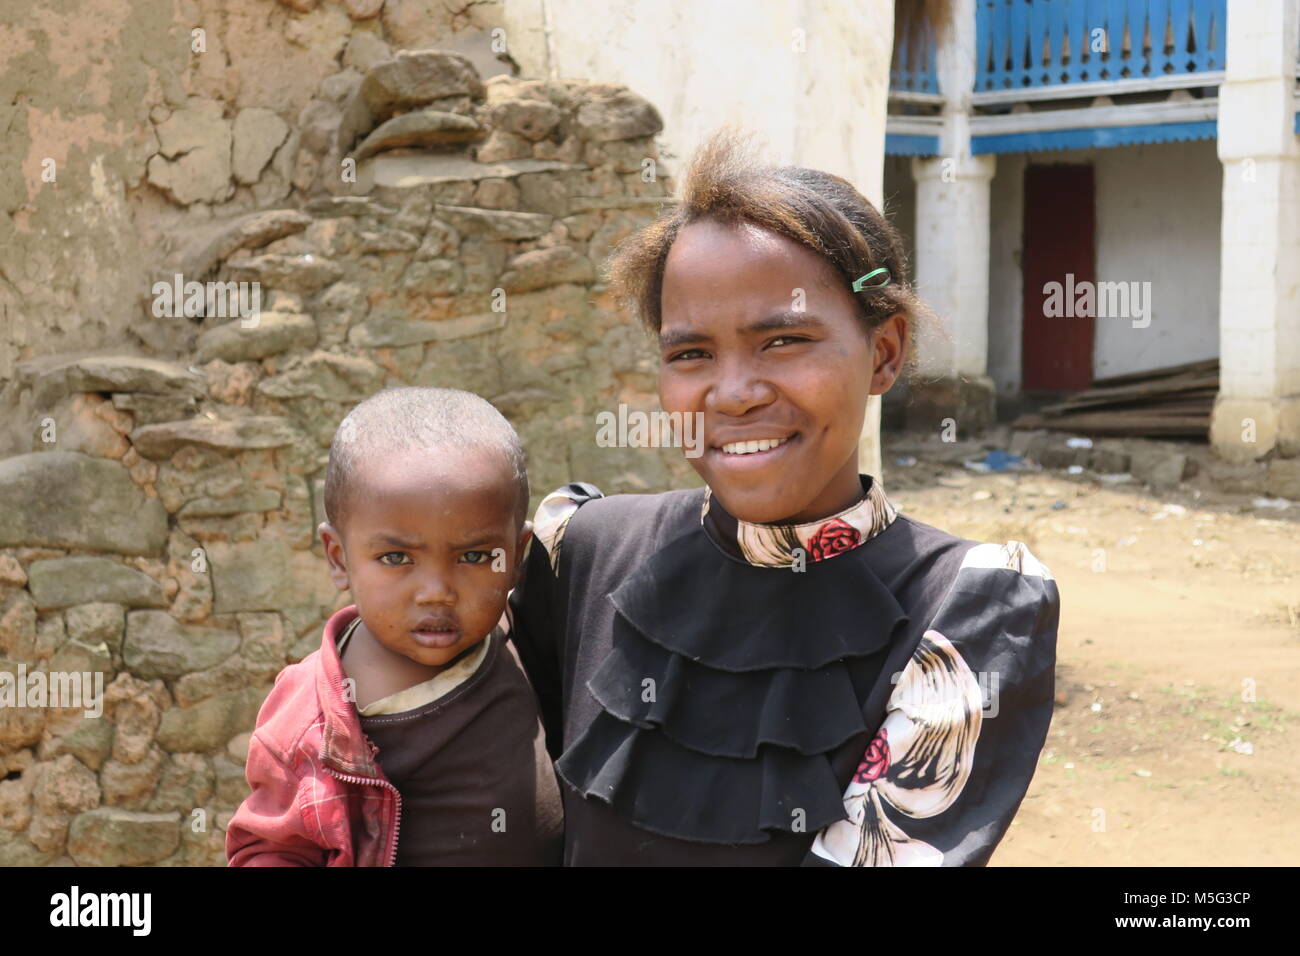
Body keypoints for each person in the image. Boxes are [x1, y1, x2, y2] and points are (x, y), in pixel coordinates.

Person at [507, 127, 1061, 866]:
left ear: (885, 353)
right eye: (691, 354)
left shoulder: (968, 611)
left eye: (783, 341)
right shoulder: (579, 550)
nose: (732, 394)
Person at [226, 387, 562, 866]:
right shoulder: (315, 717)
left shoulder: (515, 635)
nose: (436, 591)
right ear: (339, 559)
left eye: (473, 556)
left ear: (516, 556)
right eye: (396, 558)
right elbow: (272, 848)